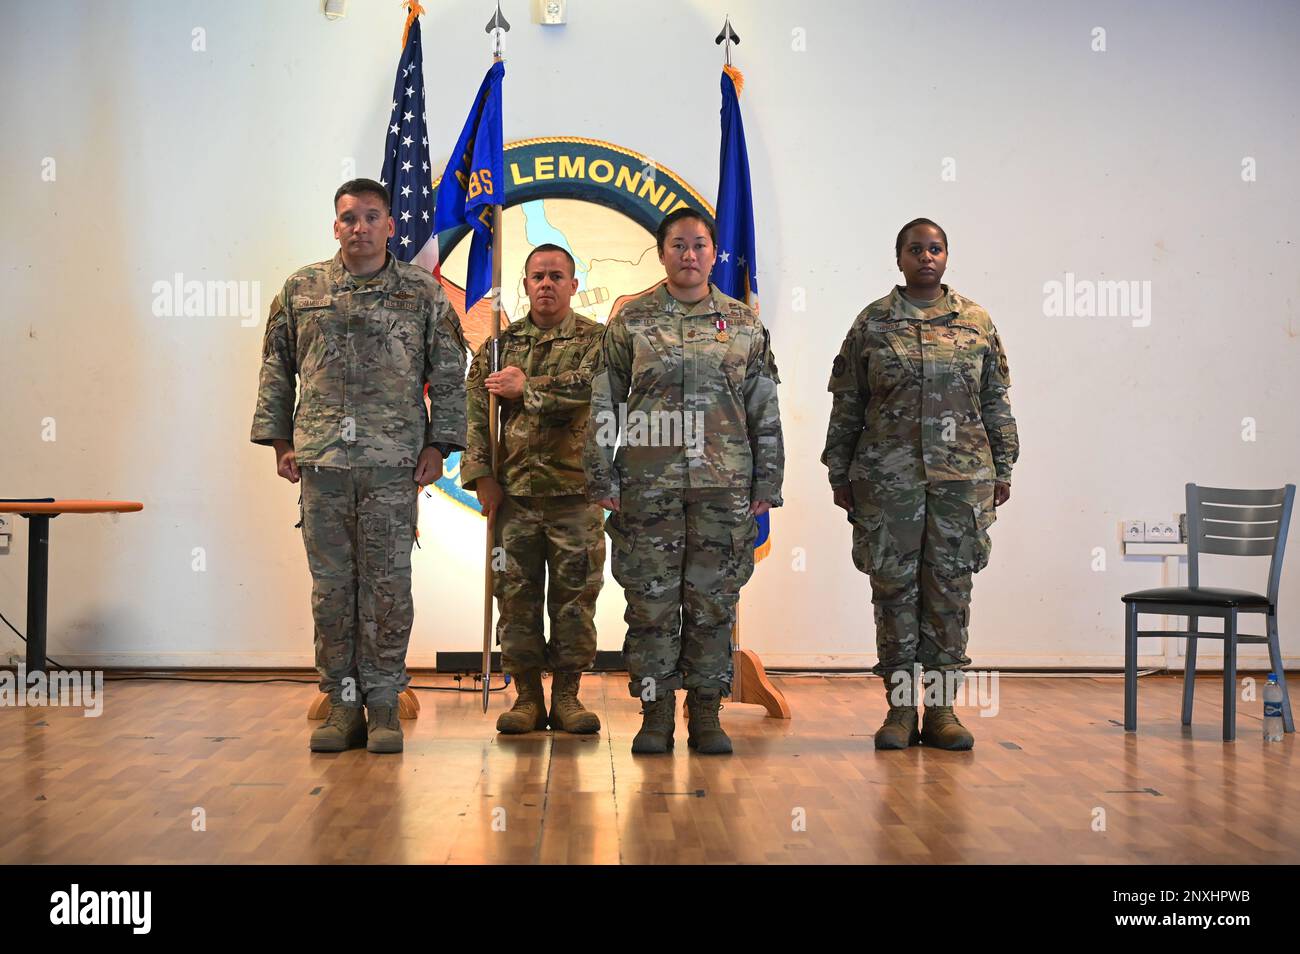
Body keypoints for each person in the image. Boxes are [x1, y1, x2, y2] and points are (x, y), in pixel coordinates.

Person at [250, 178, 467, 754]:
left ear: (391, 225)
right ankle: (342, 705)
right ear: (335, 224)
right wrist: (279, 441)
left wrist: (439, 446)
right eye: (349, 217)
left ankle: (384, 705)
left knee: (388, 586)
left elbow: (449, 373)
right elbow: (277, 365)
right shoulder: (303, 288)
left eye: (372, 217)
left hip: (393, 463)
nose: (360, 227)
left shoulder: (421, 292)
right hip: (323, 461)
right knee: (332, 589)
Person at [585, 206, 784, 755]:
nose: (689, 255)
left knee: (712, 605)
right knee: (650, 607)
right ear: (662, 251)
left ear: (714, 252)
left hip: (724, 490)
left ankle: (706, 715)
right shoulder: (632, 321)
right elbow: (606, 401)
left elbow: (764, 406)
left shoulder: (743, 324)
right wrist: (601, 472)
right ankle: (654, 718)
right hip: (647, 489)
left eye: (699, 245)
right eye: (678, 245)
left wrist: (768, 480)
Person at [822, 218, 1018, 751]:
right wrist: (839, 472)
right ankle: (900, 710)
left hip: (961, 482)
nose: (926, 257)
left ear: (947, 256)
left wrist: (1003, 467)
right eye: (916, 249)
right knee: (893, 593)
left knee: (950, 593)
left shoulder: (976, 322)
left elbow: (996, 399)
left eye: (935, 248)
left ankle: (944, 712)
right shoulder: (873, 324)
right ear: (899, 258)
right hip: (889, 483)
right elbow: (848, 404)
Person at [460, 244, 606, 735]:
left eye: (556, 276)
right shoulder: (499, 348)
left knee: (575, 599)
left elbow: (595, 387)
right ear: (524, 285)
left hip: (576, 495)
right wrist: (482, 477)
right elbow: (476, 416)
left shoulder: (597, 340)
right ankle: (526, 699)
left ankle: (567, 697)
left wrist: (530, 389)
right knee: (516, 598)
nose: (546, 284)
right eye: (537, 276)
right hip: (515, 497)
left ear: (573, 285)